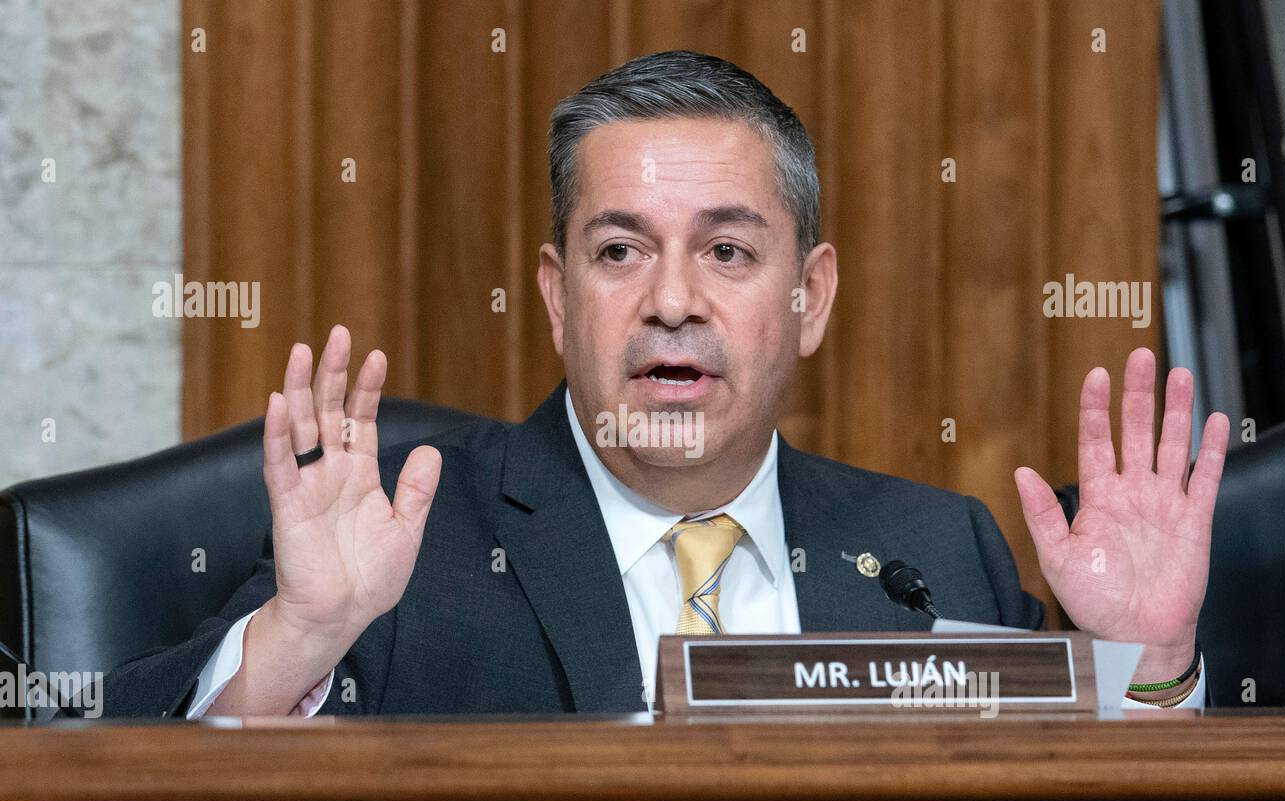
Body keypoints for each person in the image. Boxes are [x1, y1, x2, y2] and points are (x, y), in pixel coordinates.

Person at [93, 50, 1226, 719]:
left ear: (811, 296)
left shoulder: (934, 550)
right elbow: (117, 775)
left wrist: (1150, 669)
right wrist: (302, 635)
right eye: (620, 251)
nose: (672, 301)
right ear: (554, 294)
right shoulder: (402, 547)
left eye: (728, 252)